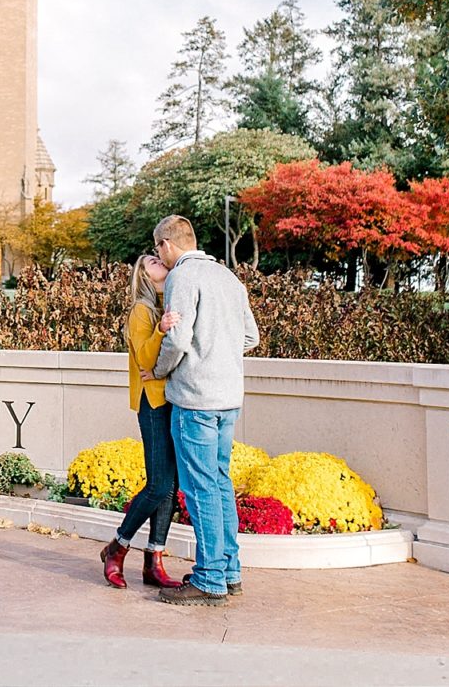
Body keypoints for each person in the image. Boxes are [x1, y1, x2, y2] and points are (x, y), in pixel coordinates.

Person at [149, 214, 259, 606]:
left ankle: (210, 578)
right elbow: (251, 336)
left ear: (166, 244)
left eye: (158, 249)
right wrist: (218, 352)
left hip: (196, 399)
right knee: (220, 483)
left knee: (199, 490)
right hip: (229, 398)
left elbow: (176, 340)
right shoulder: (229, 278)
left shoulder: (183, 275)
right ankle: (229, 572)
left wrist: (157, 370)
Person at [99, 254, 182, 589]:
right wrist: (161, 330)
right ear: (143, 275)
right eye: (151, 260)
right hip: (152, 404)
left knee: (171, 487)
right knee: (158, 485)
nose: (159, 260)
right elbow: (146, 358)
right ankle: (116, 547)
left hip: (171, 401)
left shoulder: (166, 305)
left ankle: (154, 561)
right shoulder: (142, 311)